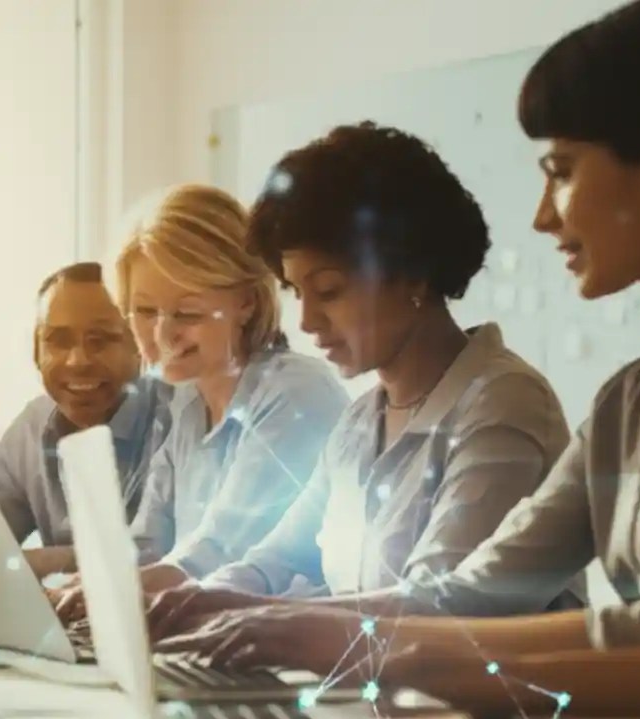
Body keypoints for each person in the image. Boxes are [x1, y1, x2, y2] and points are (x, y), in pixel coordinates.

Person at [154, 2, 640, 713]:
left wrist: (349, 640)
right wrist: (283, 621)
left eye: (559, 171)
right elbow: (474, 591)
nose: (543, 216)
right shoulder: (630, 399)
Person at [145, 122, 572, 638]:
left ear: (413, 273)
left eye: (328, 291)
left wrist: (269, 619)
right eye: (294, 292)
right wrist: (194, 599)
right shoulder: (359, 423)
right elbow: (273, 561)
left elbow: (440, 608)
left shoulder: (502, 403)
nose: (306, 321)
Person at [52, 184, 350, 618]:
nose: (162, 335)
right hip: (201, 635)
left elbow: (220, 551)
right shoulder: (187, 403)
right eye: (145, 312)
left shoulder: (296, 392)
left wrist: (103, 591)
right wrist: (66, 589)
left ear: (246, 302)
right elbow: (147, 543)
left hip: (280, 648)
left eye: (187, 313)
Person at [0, 262, 173, 608]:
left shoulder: (175, 420)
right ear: (37, 351)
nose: (78, 360)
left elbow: (162, 557)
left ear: (140, 345)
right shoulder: (33, 426)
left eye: (101, 340)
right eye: (58, 341)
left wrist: (40, 562)